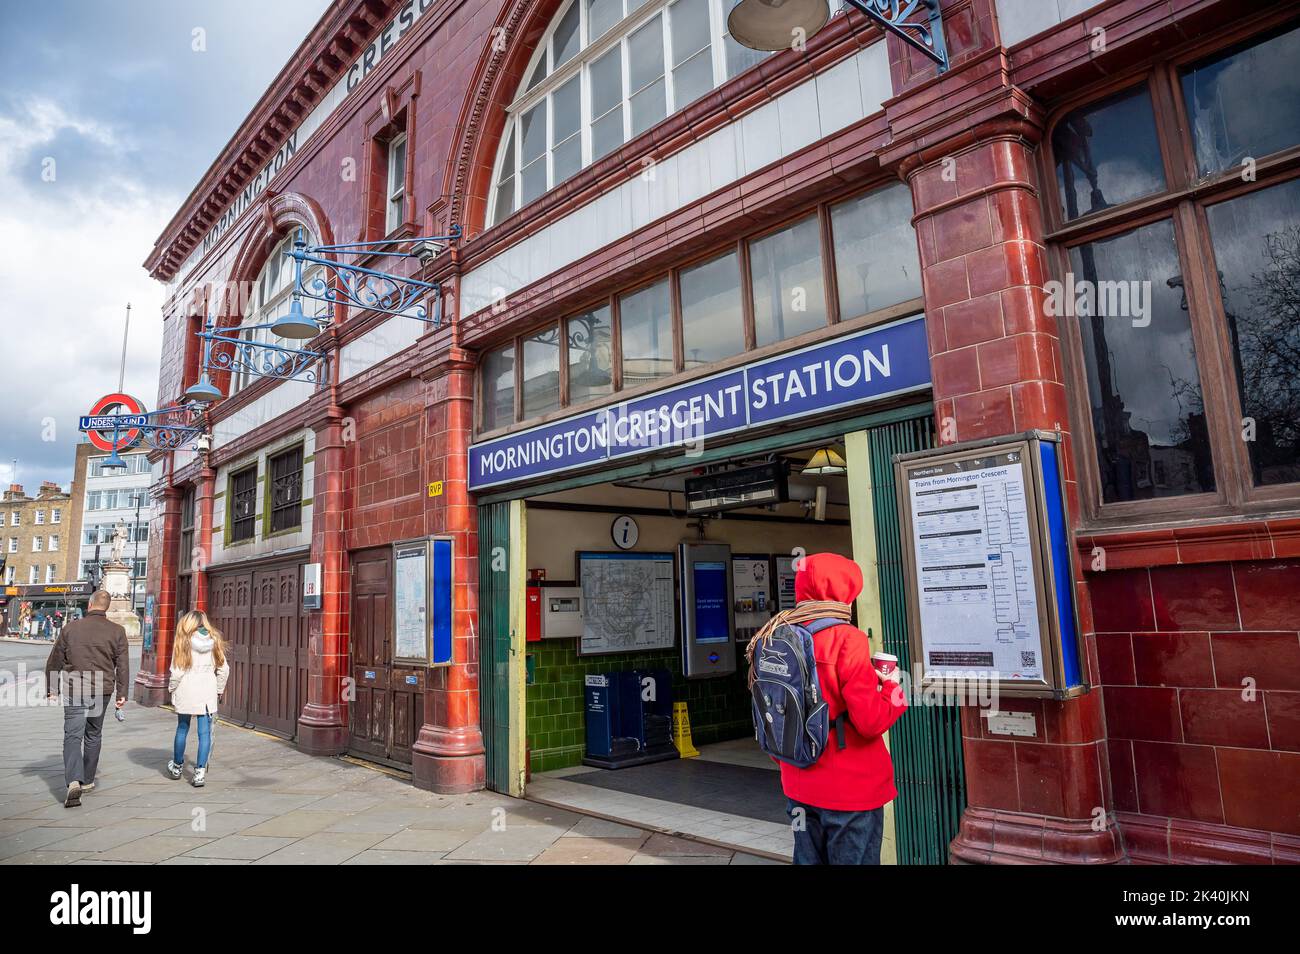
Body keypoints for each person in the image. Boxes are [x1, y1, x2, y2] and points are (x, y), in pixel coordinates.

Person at [747, 552, 907, 865]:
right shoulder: (848, 639)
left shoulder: (773, 635)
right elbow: (871, 721)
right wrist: (893, 689)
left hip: (797, 781)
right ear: (847, 591)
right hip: (850, 789)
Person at [43, 590, 129, 807]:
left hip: (75, 689)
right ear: (106, 607)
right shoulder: (117, 631)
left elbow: (54, 660)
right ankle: (88, 780)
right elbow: (123, 667)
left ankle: (73, 779)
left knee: (72, 735)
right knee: (93, 733)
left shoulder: (71, 628)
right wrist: (122, 694)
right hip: (102, 690)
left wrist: (52, 688)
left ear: (90, 605)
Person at [167, 611, 230, 787]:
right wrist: (218, 690)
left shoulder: (183, 642)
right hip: (207, 693)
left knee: (182, 728)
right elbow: (224, 669)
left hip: (186, 691)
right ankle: (200, 773)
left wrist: (171, 688)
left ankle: (177, 767)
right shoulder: (214, 640)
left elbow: (177, 672)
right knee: (204, 733)